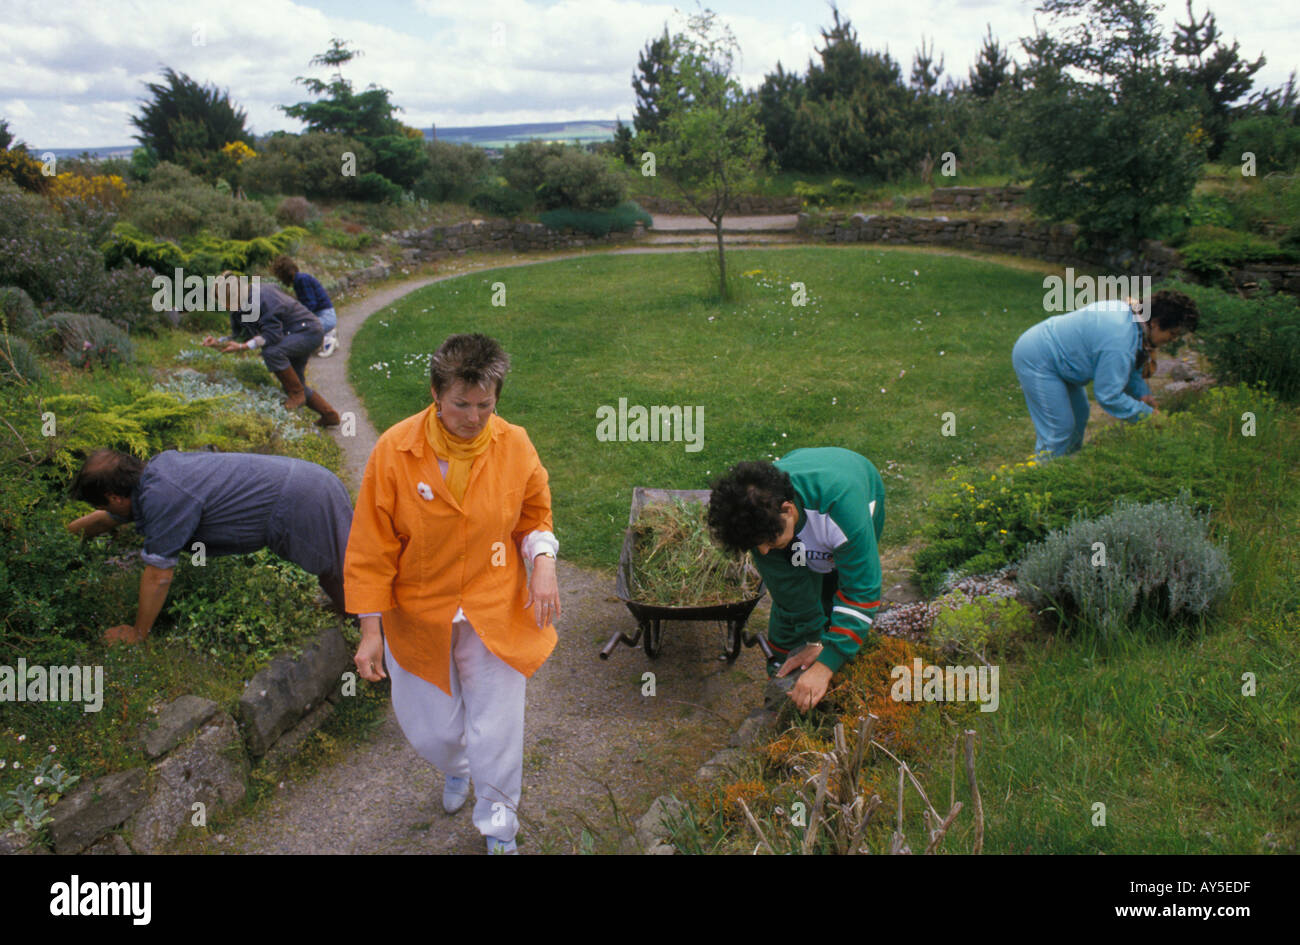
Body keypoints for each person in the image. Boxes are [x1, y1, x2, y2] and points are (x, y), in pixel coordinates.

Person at [344, 333, 561, 855]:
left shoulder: (515, 444)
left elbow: (534, 518)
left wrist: (544, 564)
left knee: (499, 728)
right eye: (461, 404)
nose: (474, 417)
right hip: (418, 615)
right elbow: (371, 548)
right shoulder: (394, 451)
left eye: (485, 404)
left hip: (494, 607)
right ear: (436, 395)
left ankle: (499, 827)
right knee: (433, 732)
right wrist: (370, 632)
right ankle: (457, 766)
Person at [67, 449, 353, 645]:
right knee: (346, 569)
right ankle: (360, 625)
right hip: (306, 480)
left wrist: (138, 633)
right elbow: (106, 520)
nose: (106, 510)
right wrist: (64, 537)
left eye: (102, 503)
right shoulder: (154, 473)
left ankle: (376, 652)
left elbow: (159, 575)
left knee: (341, 575)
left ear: (114, 496)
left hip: (303, 500)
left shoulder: (162, 498)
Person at [708, 448, 885, 713]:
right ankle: (778, 703)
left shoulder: (842, 508)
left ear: (787, 510)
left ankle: (831, 693)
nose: (764, 552)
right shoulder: (758, 514)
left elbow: (861, 592)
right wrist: (813, 641)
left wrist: (825, 665)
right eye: (757, 547)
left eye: (768, 542)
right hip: (806, 519)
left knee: (833, 591)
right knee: (790, 612)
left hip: (858, 491)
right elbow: (790, 592)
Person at [1011, 289, 1199, 458]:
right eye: (1172, 334)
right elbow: (1108, 395)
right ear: (1156, 323)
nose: (1172, 340)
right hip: (1039, 357)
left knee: (1079, 417)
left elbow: (1130, 365)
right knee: (1058, 429)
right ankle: (1038, 482)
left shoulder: (1134, 320)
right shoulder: (1119, 339)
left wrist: (1142, 394)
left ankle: (1065, 472)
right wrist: (1148, 416)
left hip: (1060, 359)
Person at [201, 272, 340, 427]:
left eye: (226, 301)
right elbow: (240, 335)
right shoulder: (239, 308)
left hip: (307, 331)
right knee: (293, 382)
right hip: (290, 335)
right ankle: (329, 414)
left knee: (272, 353)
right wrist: (218, 342)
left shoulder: (262, 298)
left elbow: (271, 335)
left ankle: (297, 393)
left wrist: (243, 347)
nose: (225, 306)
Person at [270, 255, 339, 358]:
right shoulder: (300, 279)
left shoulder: (301, 280)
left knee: (301, 330)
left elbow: (311, 304)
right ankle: (327, 333)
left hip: (326, 317)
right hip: (326, 316)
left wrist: (297, 316)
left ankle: (327, 340)